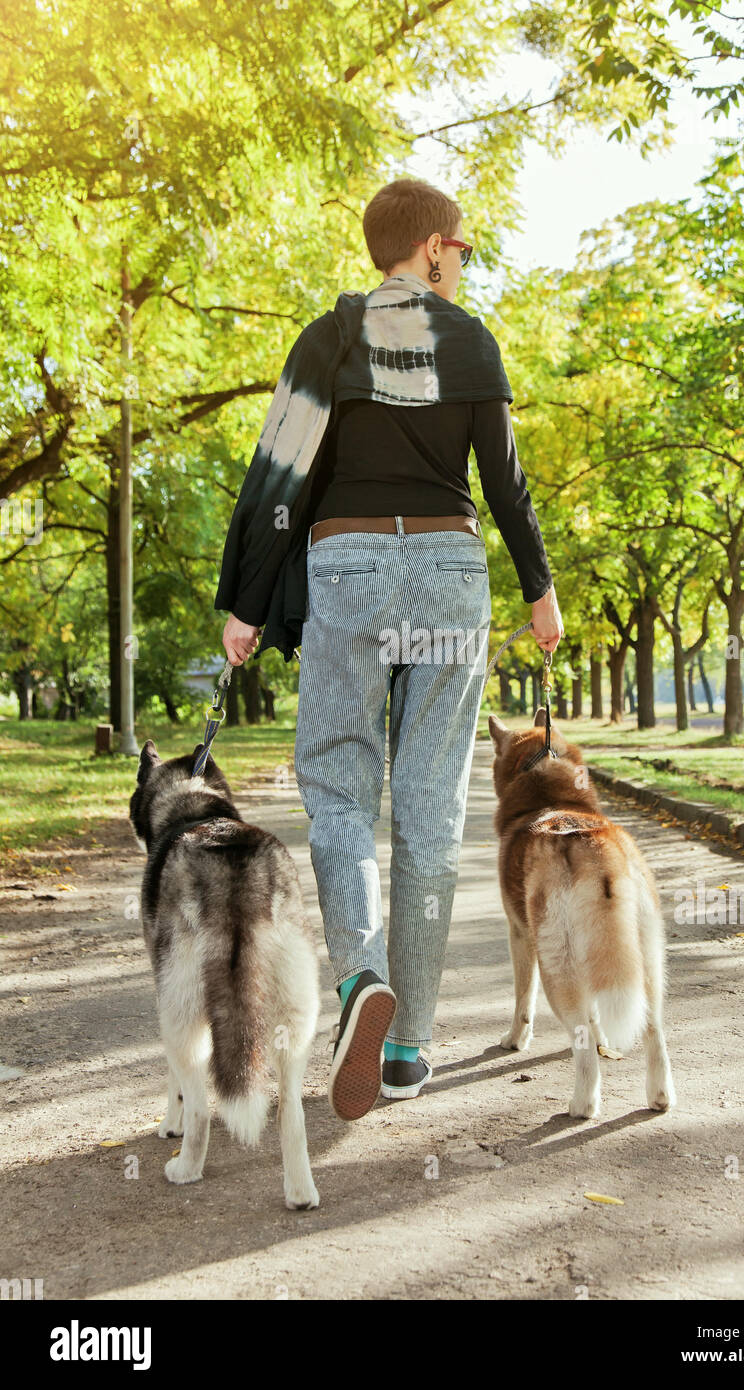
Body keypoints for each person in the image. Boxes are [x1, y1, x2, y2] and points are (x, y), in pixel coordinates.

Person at [220, 178, 563, 1122]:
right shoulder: (473, 340)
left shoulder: (328, 338)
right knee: (427, 802)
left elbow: (280, 471)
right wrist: (540, 591)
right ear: (436, 248)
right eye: (462, 252)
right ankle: (407, 1046)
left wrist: (245, 604)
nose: (462, 267)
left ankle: (360, 978)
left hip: (350, 566)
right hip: (452, 570)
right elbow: (506, 482)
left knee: (336, 784)